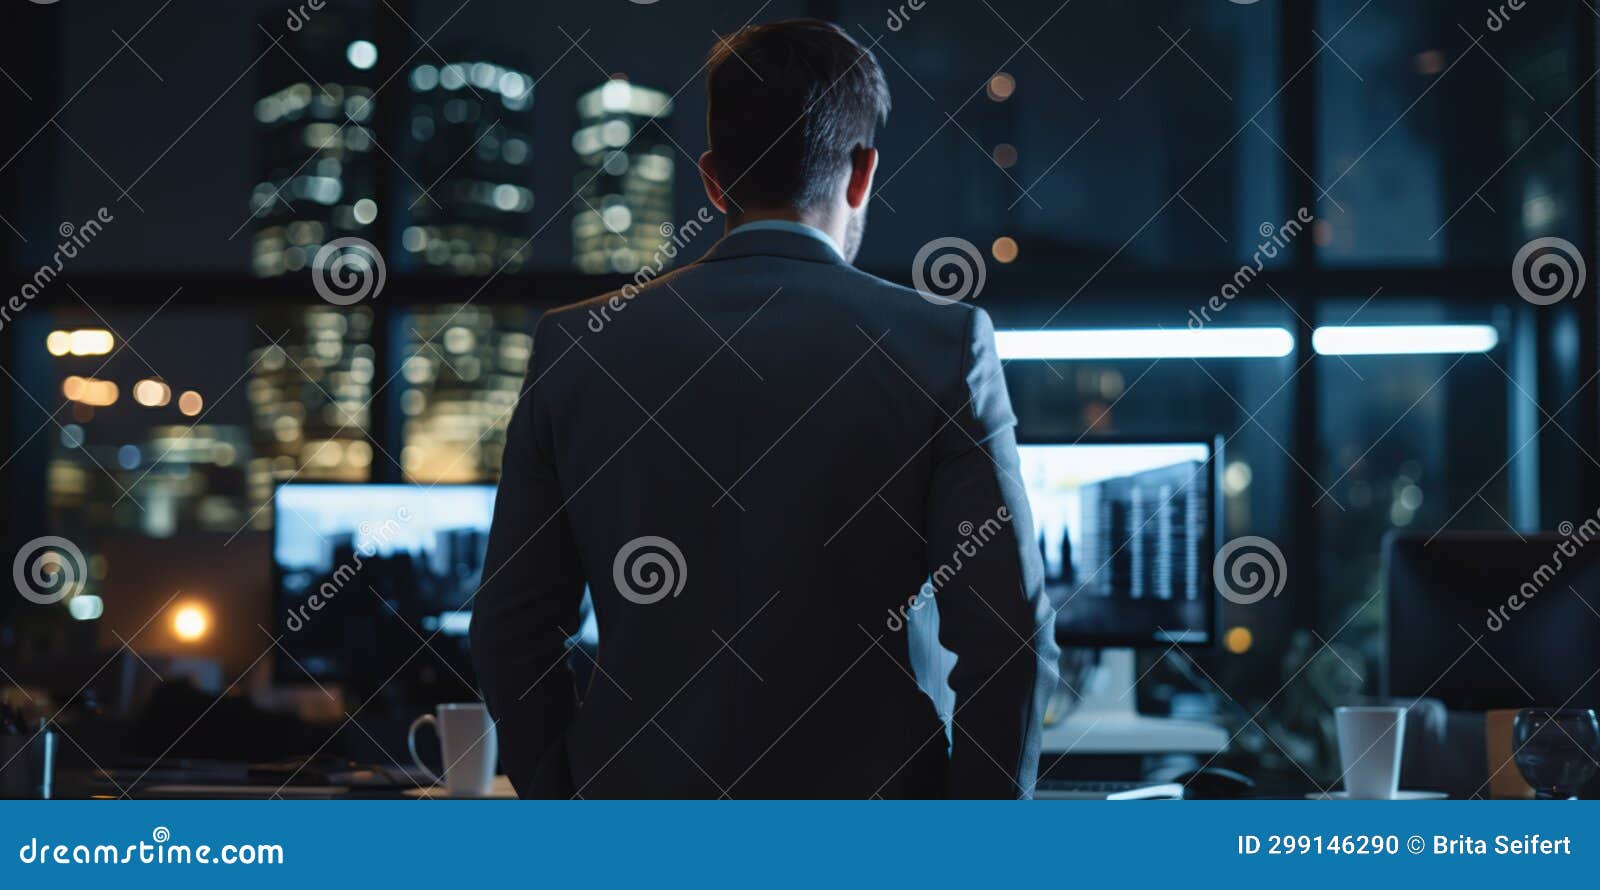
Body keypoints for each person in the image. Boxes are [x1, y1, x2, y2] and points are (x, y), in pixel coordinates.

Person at [472, 18, 1057, 799]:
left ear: (714, 180)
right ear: (863, 174)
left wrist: (565, 804)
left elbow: (511, 629)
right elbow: (1009, 641)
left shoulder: (578, 347)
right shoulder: (942, 345)